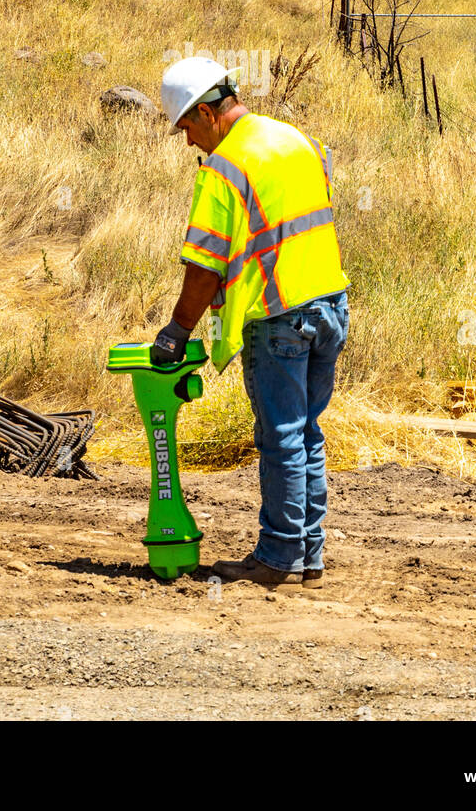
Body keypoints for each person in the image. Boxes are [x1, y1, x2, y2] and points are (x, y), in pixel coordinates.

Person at [154, 55, 349, 589]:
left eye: (188, 127)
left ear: (207, 111)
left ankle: (278, 558)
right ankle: (308, 556)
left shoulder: (226, 167)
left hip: (279, 317)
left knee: (282, 437)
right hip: (331, 303)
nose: (191, 142)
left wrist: (177, 330)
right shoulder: (298, 141)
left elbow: (204, 265)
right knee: (307, 435)